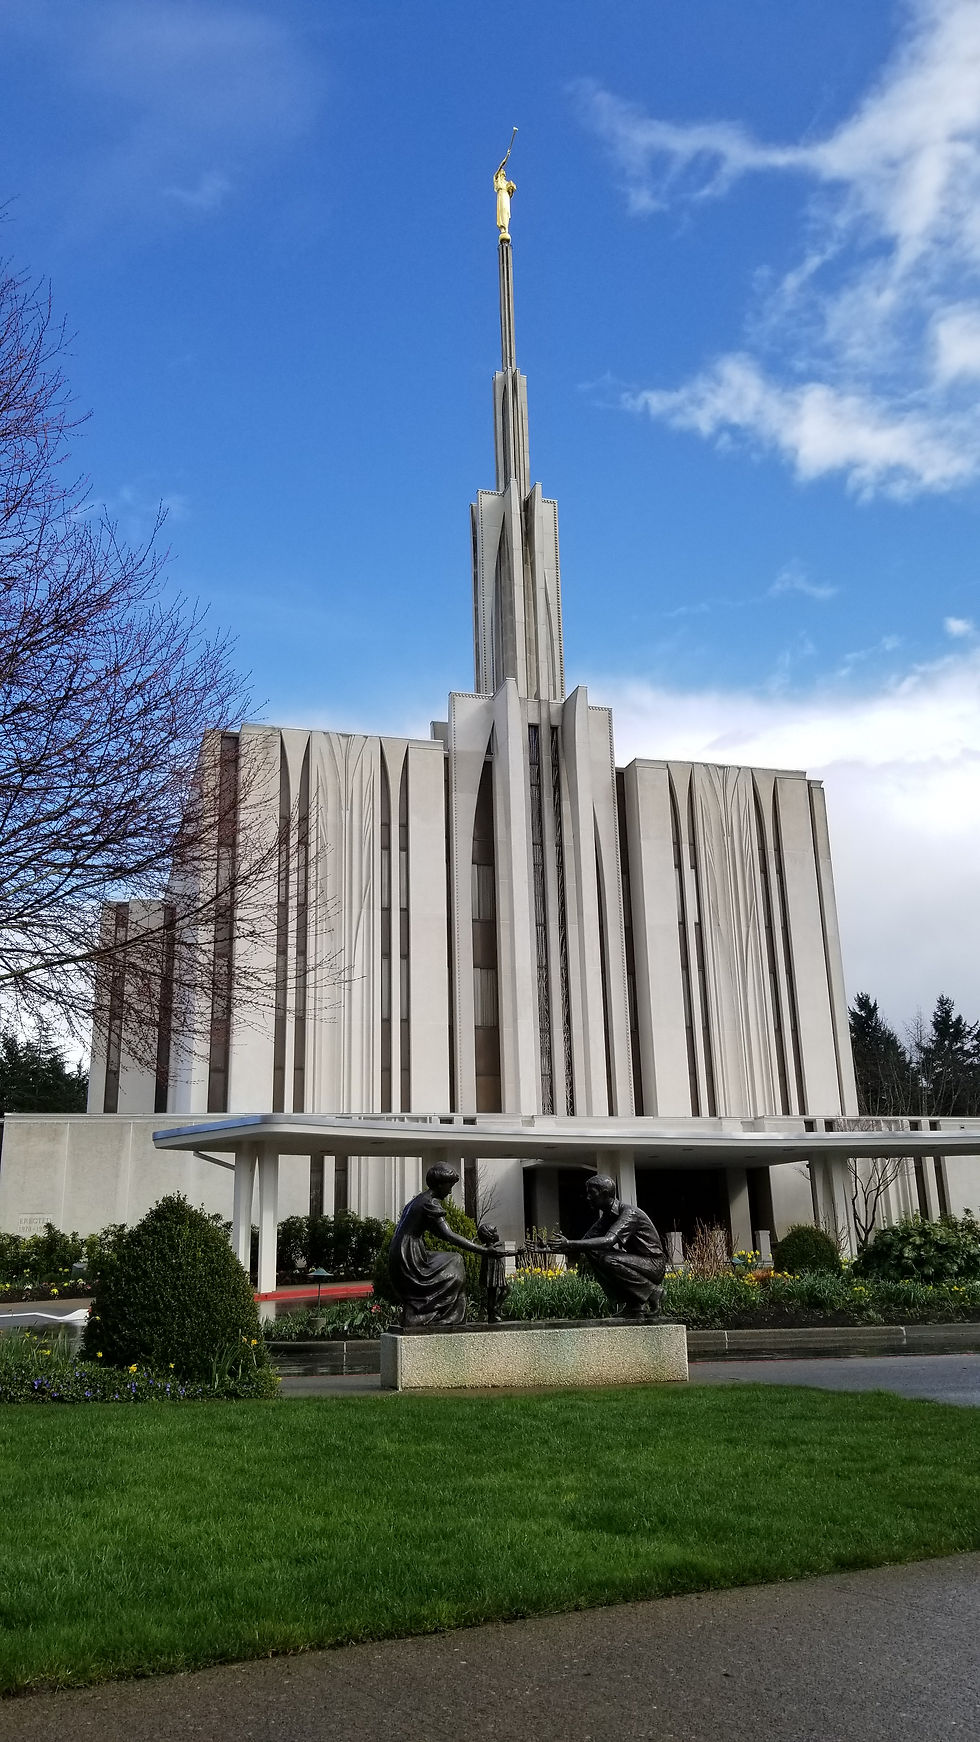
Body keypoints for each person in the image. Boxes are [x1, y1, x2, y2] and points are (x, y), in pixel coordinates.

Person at [388, 1161, 490, 1327]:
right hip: (409, 1257)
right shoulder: (430, 1203)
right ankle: (449, 1317)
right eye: (449, 1186)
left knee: (453, 1260)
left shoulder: (419, 1200)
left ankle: (431, 1314)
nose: (450, 1191)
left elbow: (438, 1233)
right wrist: (482, 1250)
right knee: (455, 1262)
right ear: (440, 1185)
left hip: (402, 1251)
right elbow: (448, 1235)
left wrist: (470, 1244)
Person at [549, 1173, 666, 1316]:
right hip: (636, 1262)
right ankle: (633, 1304)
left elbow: (608, 1241)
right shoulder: (608, 1216)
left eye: (592, 1193)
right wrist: (549, 1248)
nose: (588, 1197)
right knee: (592, 1251)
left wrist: (570, 1243)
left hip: (653, 1264)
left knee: (608, 1258)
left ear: (604, 1194)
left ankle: (653, 1292)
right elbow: (583, 1243)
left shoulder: (629, 1213)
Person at [477, 1221, 509, 1323]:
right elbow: (504, 1253)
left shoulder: (488, 1248)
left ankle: (492, 1316)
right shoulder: (491, 1249)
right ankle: (496, 1308)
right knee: (506, 1290)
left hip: (491, 1273)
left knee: (492, 1294)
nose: (498, 1234)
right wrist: (518, 1252)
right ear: (490, 1236)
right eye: (495, 1232)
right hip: (494, 1273)